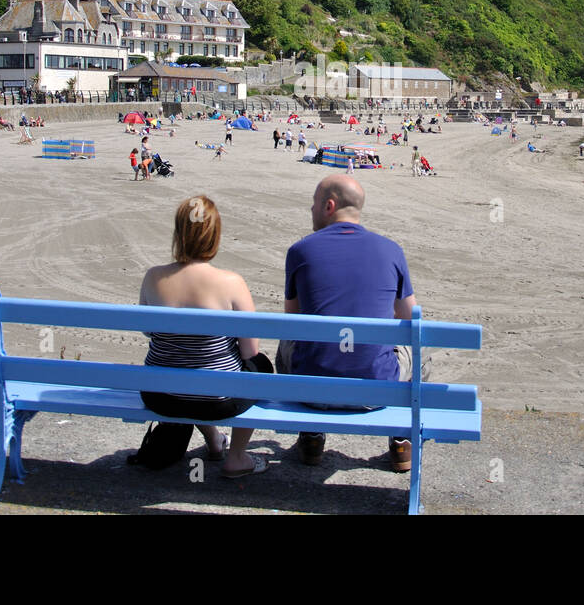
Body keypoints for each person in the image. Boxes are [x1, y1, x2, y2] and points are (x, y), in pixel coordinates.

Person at [280, 176, 416, 472]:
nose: (311, 208)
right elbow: (409, 318)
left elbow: (292, 320)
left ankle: (312, 435)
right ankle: (401, 441)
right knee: (418, 347)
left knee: (288, 341)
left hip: (313, 392)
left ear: (329, 206)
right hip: (376, 392)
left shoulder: (300, 251)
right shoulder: (391, 250)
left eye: (314, 203)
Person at [138, 196, 266, 478]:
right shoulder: (231, 282)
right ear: (215, 236)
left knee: (188, 368)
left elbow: (148, 331)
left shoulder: (153, 277)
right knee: (260, 367)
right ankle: (237, 457)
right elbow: (249, 351)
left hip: (161, 395)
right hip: (217, 400)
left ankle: (213, 440)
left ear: (178, 234)